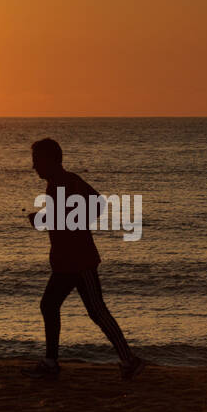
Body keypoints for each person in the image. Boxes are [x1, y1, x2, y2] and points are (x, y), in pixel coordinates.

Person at [23, 138, 145, 381]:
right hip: (66, 261)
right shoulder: (61, 182)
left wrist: (44, 219)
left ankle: (128, 360)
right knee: (55, 306)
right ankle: (52, 362)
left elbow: (92, 206)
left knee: (94, 311)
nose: (33, 166)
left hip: (78, 261)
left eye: (37, 160)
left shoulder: (64, 183)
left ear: (50, 160)